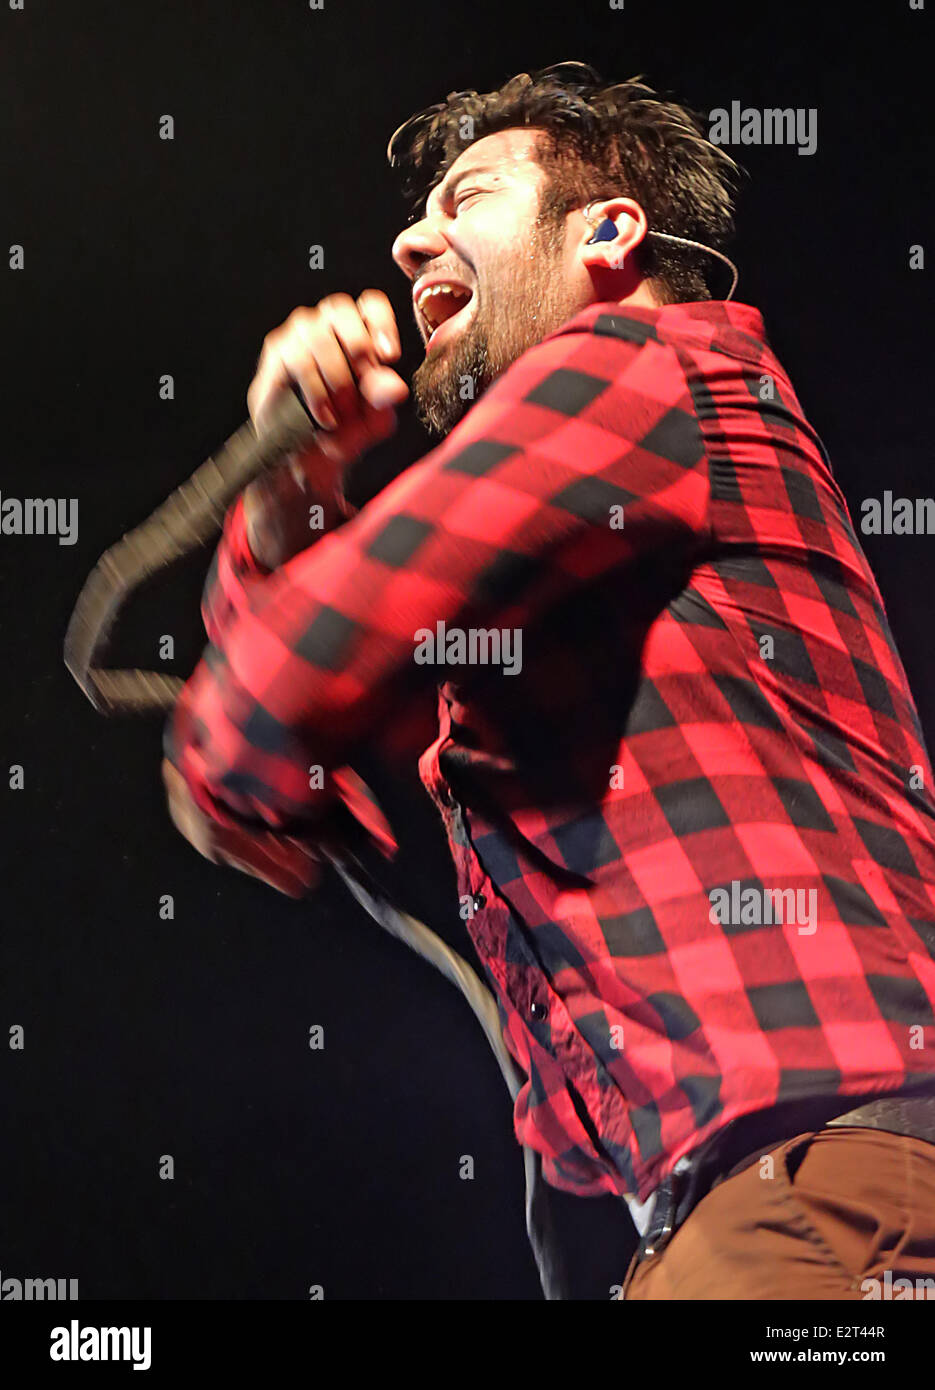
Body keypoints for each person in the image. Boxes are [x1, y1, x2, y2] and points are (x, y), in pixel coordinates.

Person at [161, 62, 935, 1299]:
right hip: (772, 1199)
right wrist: (289, 491)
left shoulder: (641, 365)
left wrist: (233, 729)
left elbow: (270, 705)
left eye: (468, 195)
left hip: (819, 1195)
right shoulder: (586, 540)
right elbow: (307, 767)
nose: (411, 240)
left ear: (608, 234)